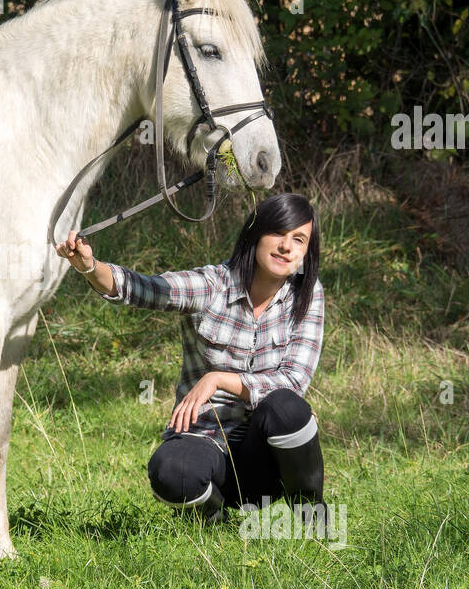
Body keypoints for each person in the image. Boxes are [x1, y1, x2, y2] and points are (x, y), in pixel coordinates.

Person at [53, 193, 326, 526]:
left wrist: (219, 379)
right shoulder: (213, 286)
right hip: (207, 438)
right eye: (277, 233)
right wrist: (91, 268)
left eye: (298, 240)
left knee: (288, 407)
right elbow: (148, 289)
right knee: (172, 472)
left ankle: (311, 518)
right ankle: (211, 518)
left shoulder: (308, 296)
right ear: (256, 235)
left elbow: (295, 379)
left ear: (305, 253)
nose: (286, 246)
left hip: (266, 456)